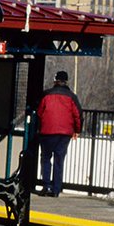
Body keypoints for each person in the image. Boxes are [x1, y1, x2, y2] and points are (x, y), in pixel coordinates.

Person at [35, 69, 83, 197]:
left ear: (55, 80)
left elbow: (39, 112)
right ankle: (56, 190)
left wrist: (39, 127)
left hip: (47, 132)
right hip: (65, 134)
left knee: (45, 158)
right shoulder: (72, 96)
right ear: (66, 81)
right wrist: (77, 130)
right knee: (59, 160)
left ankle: (46, 185)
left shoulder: (46, 95)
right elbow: (78, 115)